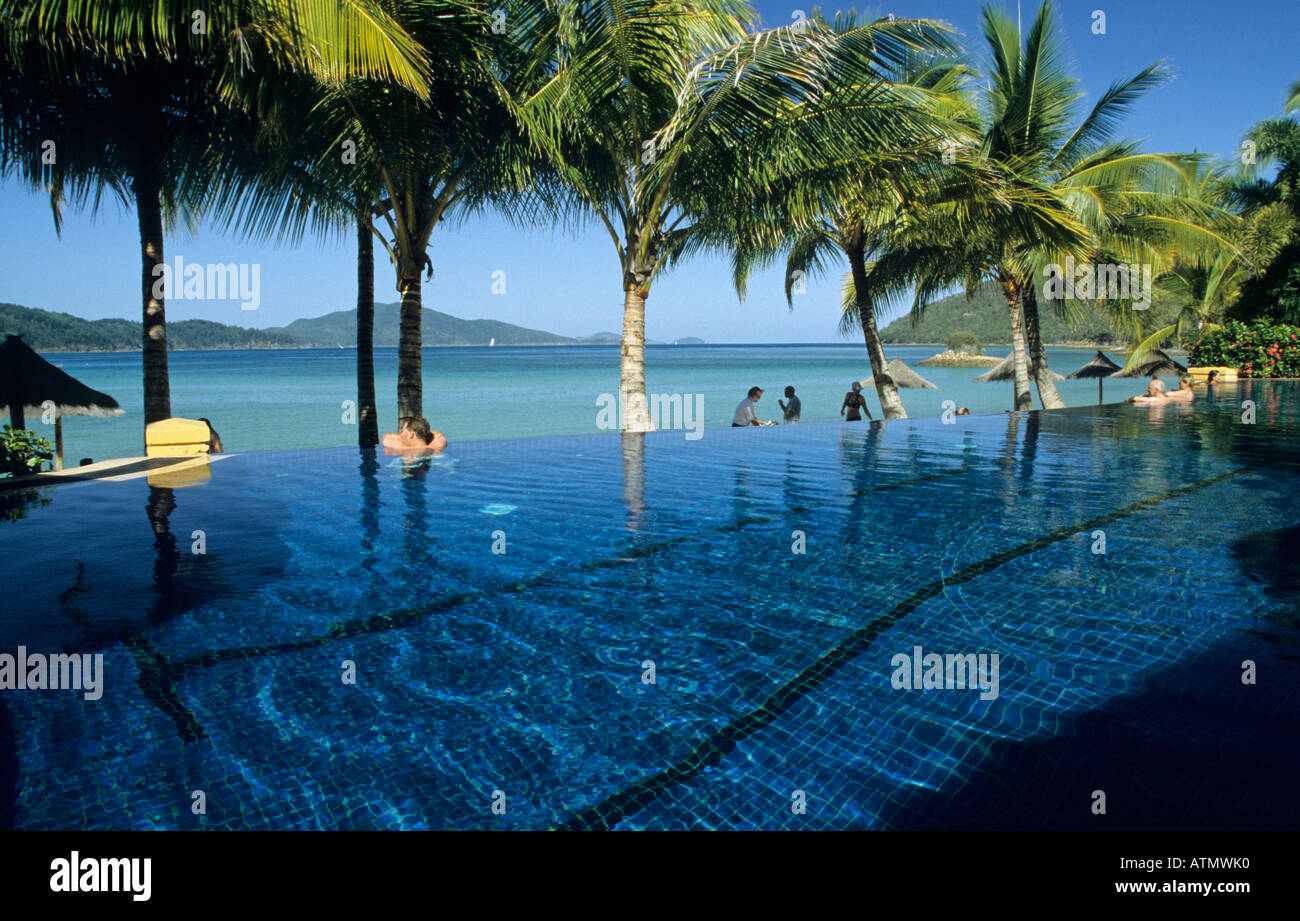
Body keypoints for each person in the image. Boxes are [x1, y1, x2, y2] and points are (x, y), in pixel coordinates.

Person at [382, 416, 448, 454]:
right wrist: (421, 430)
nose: (401, 435)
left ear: (411, 434)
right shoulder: (437, 445)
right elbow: (438, 434)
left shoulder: (401, 448)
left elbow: (386, 438)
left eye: (403, 431)